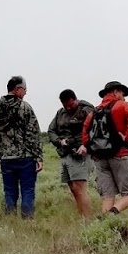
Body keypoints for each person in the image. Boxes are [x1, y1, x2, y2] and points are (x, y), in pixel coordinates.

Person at [79, 80, 128, 215]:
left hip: (100, 159)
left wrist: (91, 148)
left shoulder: (94, 112)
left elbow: (85, 132)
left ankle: (105, 222)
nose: (124, 97)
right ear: (116, 92)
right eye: (122, 93)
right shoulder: (123, 106)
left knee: (108, 196)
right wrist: (127, 138)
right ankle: (113, 213)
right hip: (120, 155)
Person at [0, 75, 43, 218]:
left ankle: (10, 220)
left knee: (9, 191)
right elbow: (33, 134)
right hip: (26, 158)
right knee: (27, 190)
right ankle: (27, 220)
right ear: (17, 89)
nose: (26, 92)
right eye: (24, 89)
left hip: (6, 158)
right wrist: (38, 157)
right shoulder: (25, 107)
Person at [48, 89, 95, 217]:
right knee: (73, 189)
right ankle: (81, 217)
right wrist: (59, 141)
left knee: (80, 188)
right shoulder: (60, 113)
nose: (68, 108)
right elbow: (51, 131)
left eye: (70, 105)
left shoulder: (86, 110)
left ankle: (88, 219)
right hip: (65, 153)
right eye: (65, 106)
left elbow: (95, 130)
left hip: (80, 154)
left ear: (75, 99)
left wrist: (85, 145)